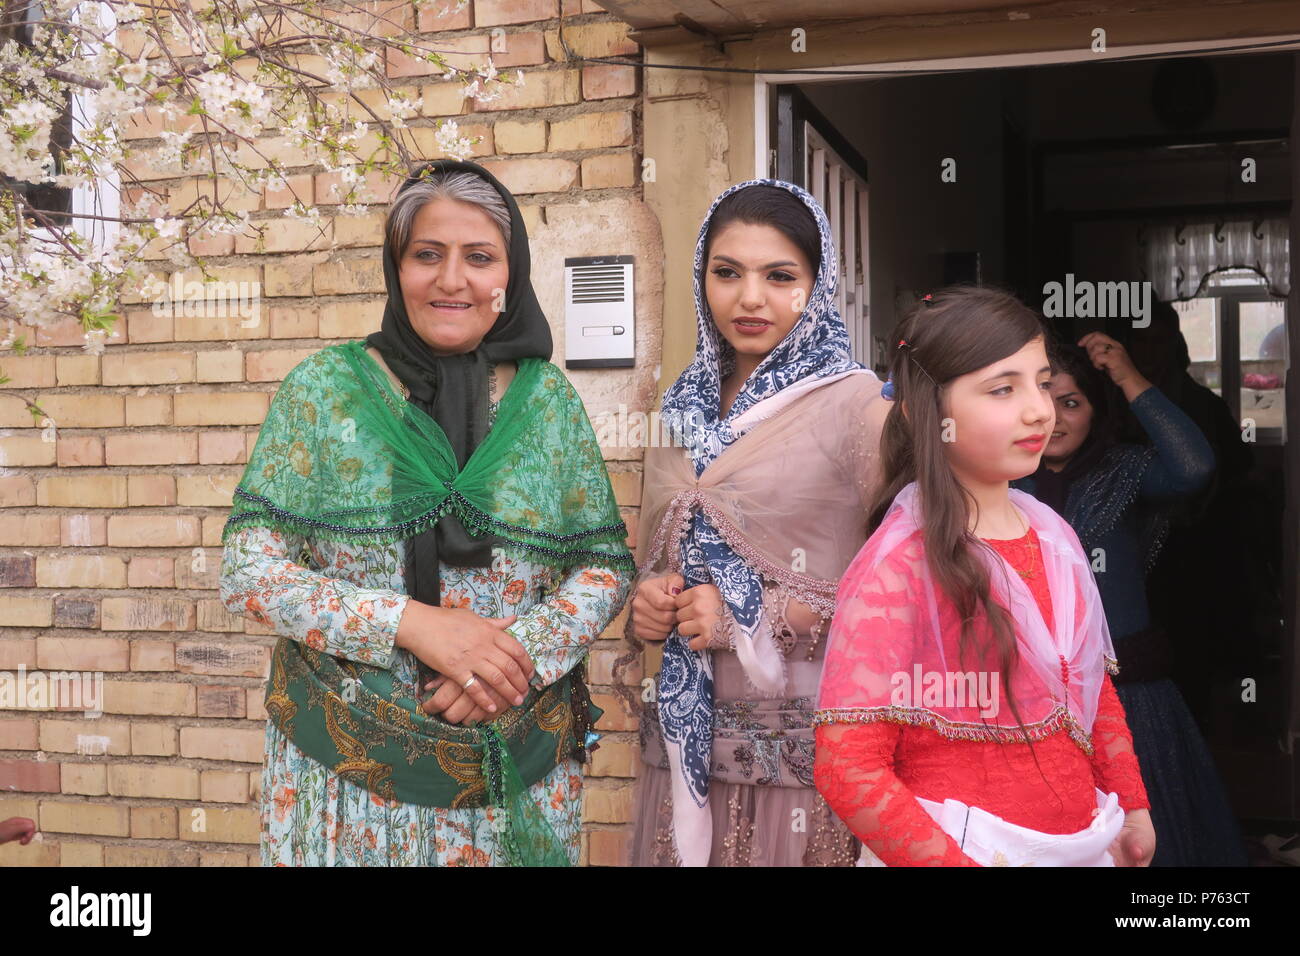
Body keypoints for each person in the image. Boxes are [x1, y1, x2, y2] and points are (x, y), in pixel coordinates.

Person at [219, 160, 634, 866]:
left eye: (479, 258)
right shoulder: (325, 392)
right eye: (426, 255)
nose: (451, 281)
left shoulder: (548, 405)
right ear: (396, 267)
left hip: (510, 773)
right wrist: (417, 626)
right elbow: (247, 569)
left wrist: (515, 658)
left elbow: (603, 563)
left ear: (511, 274)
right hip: (344, 787)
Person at [814, 286, 1154, 867]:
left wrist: (1131, 806)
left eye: (1042, 382)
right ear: (926, 411)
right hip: (963, 848)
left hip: (1083, 840)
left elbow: (1091, 693)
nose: (1039, 410)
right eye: (1003, 389)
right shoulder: (899, 563)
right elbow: (848, 766)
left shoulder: (1053, 536)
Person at [618, 179, 888, 866]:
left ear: (818, 282)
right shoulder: (679, 405)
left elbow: (902, 594)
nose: (750, 298)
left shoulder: (861, 406)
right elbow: (659, 558)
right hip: (684, 755)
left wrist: (751, 618)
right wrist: (649, 604)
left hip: (800, 758)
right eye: (727, 272)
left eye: (781, 277)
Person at [1014, 336, 1249, 866]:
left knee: (1141, 841)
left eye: (1072, 402)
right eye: (1045, 397)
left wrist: (1127, 375)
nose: (1054, 415)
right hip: (1031, 701)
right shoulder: (1004, 478)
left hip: (1129, 698)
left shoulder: (1123, 469)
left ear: (1098, 412)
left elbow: (1194, 467)